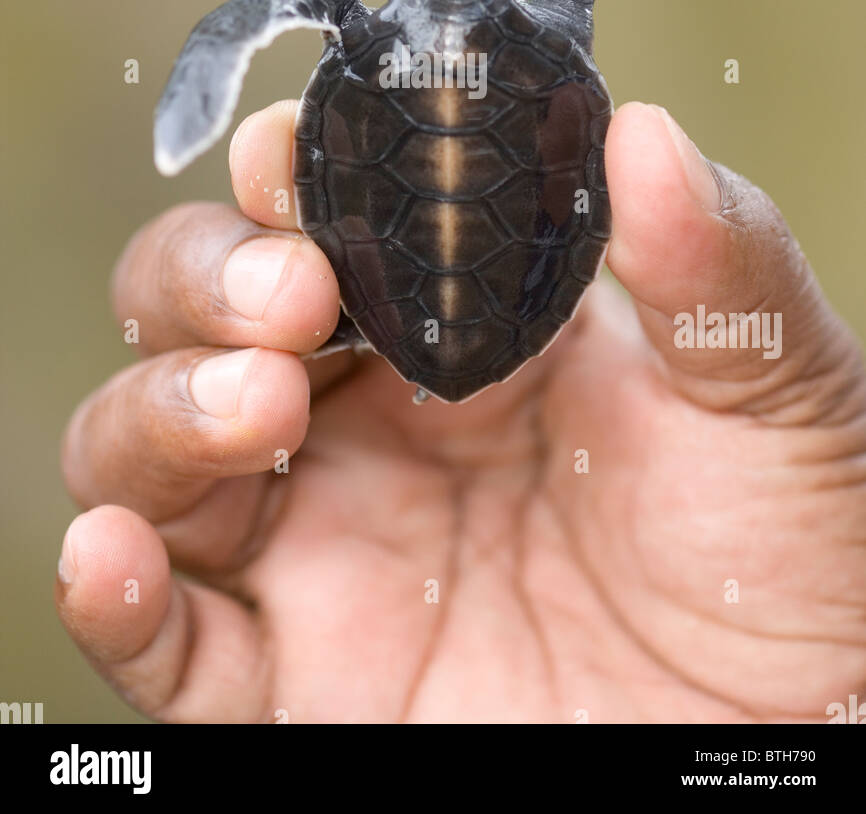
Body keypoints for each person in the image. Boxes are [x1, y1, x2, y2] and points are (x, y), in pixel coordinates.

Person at [55, 100, 866, 723]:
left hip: (473, 315)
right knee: (272, 305)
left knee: (274, 312)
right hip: (416, 324)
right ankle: (308, 320)